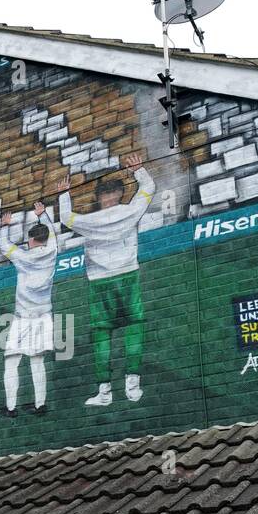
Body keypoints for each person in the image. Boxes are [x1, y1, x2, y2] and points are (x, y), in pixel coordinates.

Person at [57, 152, 154, 406]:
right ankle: (132, 386)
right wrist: (139, 170)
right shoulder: (130, 211)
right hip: (128, 275)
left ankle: (105, 392)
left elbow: (66, 218)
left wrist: (64, 193)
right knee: (134, 328)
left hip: (100, 282)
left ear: (98, 198)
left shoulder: (90, 220)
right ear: (119, 194)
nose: (109, 198)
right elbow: (149, 188)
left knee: (102, 334)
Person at [0, 202, 58, 418]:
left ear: (31, 240)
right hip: (44, 317)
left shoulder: (22, 257)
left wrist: (4, 225)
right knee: (37, 362)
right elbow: (54, 236)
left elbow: (4, 245)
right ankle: (40, 405)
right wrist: (43, 215)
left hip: (23, 318)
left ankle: (11, 407)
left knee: (11, 362)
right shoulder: (52, 251)